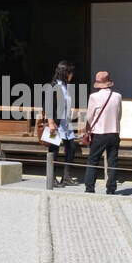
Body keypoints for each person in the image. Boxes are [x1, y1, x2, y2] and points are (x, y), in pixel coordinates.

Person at [83, 70, 122, 196]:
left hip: (99, 133)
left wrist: (88, 128)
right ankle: (111, 189)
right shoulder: (117, 96)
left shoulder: (94, 97)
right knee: (113, 161)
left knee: (93, 160)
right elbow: (119, 115)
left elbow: (89, 116)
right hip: (114, 132)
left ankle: (90, 188)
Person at [47, 59, 78, 187]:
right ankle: (52, 178)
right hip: (55, 123)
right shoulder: (53, 86)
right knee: (54, 149)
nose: (72, 75)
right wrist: (50, 121)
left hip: (66, 123)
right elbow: (47, 105)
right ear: (65, 73)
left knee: (71, 148)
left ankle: (66, 177)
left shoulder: (65, 87)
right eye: (70, 73)